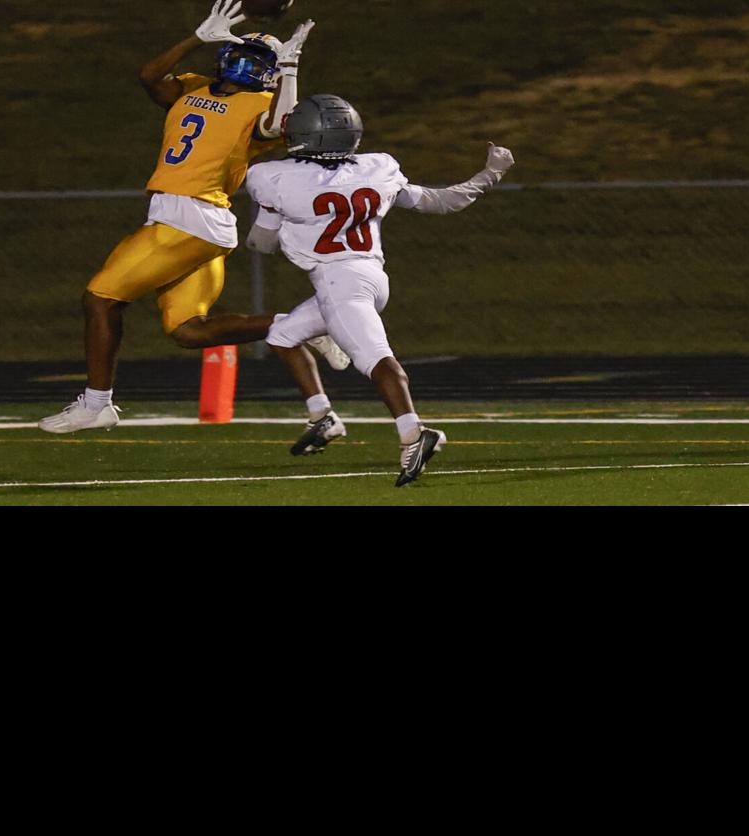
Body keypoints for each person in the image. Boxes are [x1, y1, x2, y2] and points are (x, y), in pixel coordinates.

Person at [40, 0, 340, 434]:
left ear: (271, 73)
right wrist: (195, 38)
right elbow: (148, 76)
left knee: (100, 299)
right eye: (238, 52)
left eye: (255, 60)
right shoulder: (193, 87)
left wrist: (291, 68)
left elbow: (279, 126)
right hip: (190, 220)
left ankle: (96, 402)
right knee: (188, 331)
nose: (241, 61)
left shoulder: (262, 104)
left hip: (190, 217)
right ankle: (304, 323)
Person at [243, 94, 515, 486]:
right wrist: (490, 173)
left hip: (339, 284)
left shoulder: (274, 177)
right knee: (282, 335)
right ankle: (324, 418)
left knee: (376, 360)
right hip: (370, 277)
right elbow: (440, 202)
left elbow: (261, 245)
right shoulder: (378, 167)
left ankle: (414, 433)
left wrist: (277, 220)